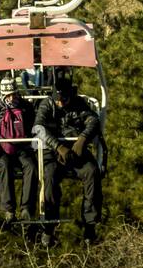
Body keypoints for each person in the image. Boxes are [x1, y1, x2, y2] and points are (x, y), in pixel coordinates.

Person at [33, 73, 102, 245]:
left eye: (63, 99)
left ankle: (90, 225)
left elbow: (93, 119)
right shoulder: (47, 104)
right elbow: (38, 127)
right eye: (58, 99)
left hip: (75, 151)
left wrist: (82, 139)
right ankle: (48, 227)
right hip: (53, 151)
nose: (60, 103)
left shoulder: (78, 104)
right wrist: (58, 146)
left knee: (91, 172)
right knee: (49, 177)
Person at [0, 76, 38, 224]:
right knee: (5, 166)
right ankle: (9, 209)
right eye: (9, 95)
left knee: (31, 167)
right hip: (4, 148)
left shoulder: (26, 107)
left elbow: (34, 128)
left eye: (14, 94)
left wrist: (34, 148)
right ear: (3, 95)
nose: (12, 97)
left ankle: (27, 208)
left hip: (22, 147)